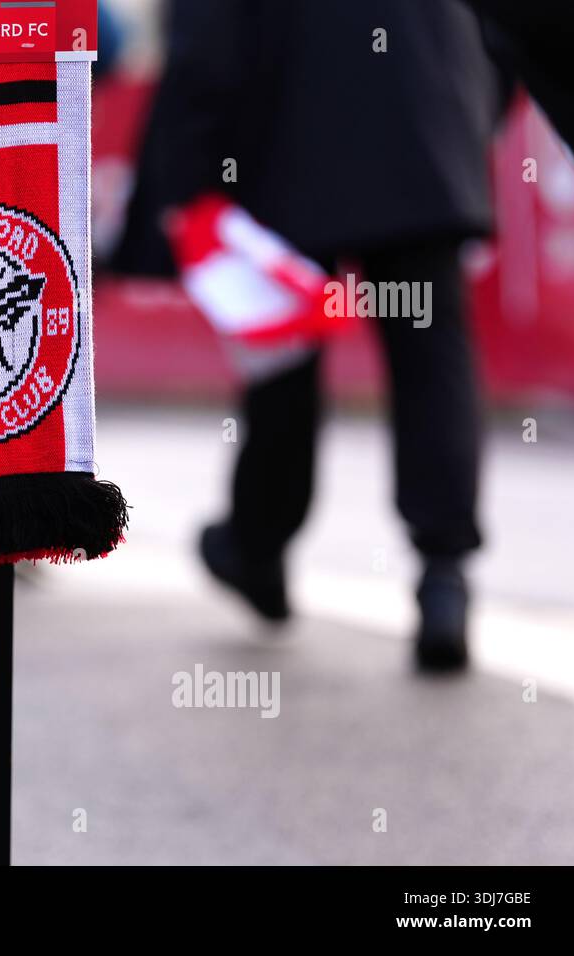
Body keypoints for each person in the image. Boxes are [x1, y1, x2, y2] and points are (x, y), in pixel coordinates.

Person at [113, 0, 511, 670]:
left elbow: (207, 36)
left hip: (291, 125)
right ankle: (444, 573)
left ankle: (258, 546)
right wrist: (471, 109)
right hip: (423, 113)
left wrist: (188, 172)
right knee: (432, 355)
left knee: (286, 349)